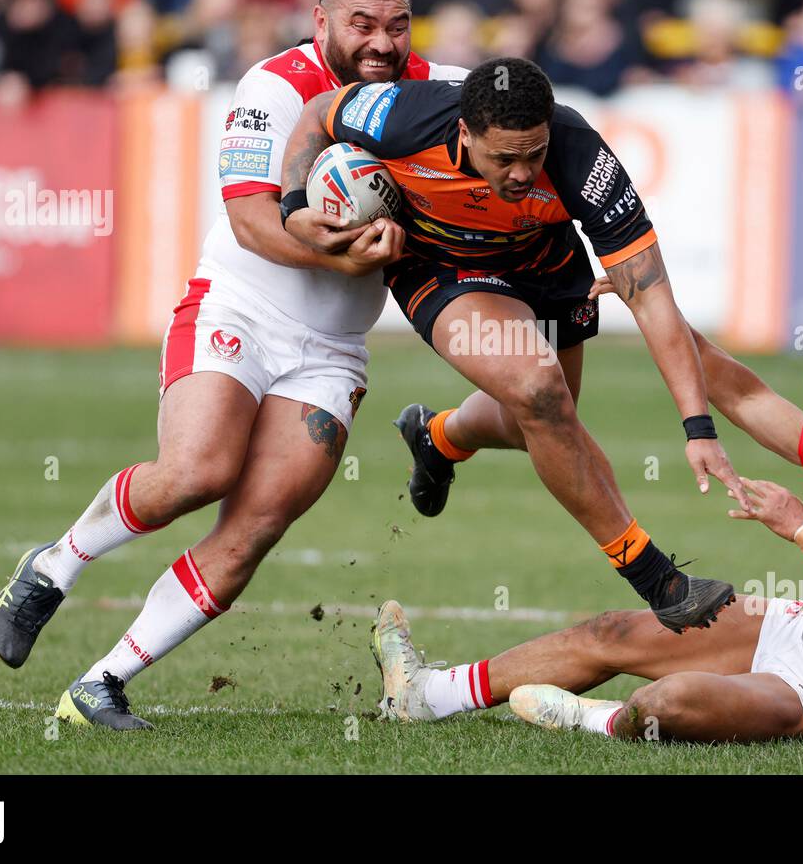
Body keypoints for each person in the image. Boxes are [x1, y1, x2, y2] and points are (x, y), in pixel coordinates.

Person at [0, 0, 466, 731]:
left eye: (397, 25)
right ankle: (54, 565)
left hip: (333, 348)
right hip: (240, 307)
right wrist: (340, 253)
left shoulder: (442, 91)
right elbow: (251, 221)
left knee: (252, 532)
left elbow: (520, 112)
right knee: (194, 473)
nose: (383, 42)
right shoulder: (273, 87)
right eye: (362, 24)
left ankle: (99, 684)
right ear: (321, 23)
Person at [279, 57, 752, 634]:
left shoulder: (581, 154)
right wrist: (293, 206)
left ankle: (439, 436)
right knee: (539, 391)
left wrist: (697, 425)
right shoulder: (403, 117)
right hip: (443, 267)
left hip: (548, 269)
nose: (523, 172)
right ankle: (658, 580)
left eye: (534, 153)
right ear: (464, 134)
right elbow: (315, 113)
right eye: (504, 158)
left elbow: (650, 294)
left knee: (544, 417)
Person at [372, 346, 803, 745]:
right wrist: (649, 302)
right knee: (614, 631)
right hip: (796, 629)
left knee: (671, 702)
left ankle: (592, 720)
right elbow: (745, 395)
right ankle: (425, 696)